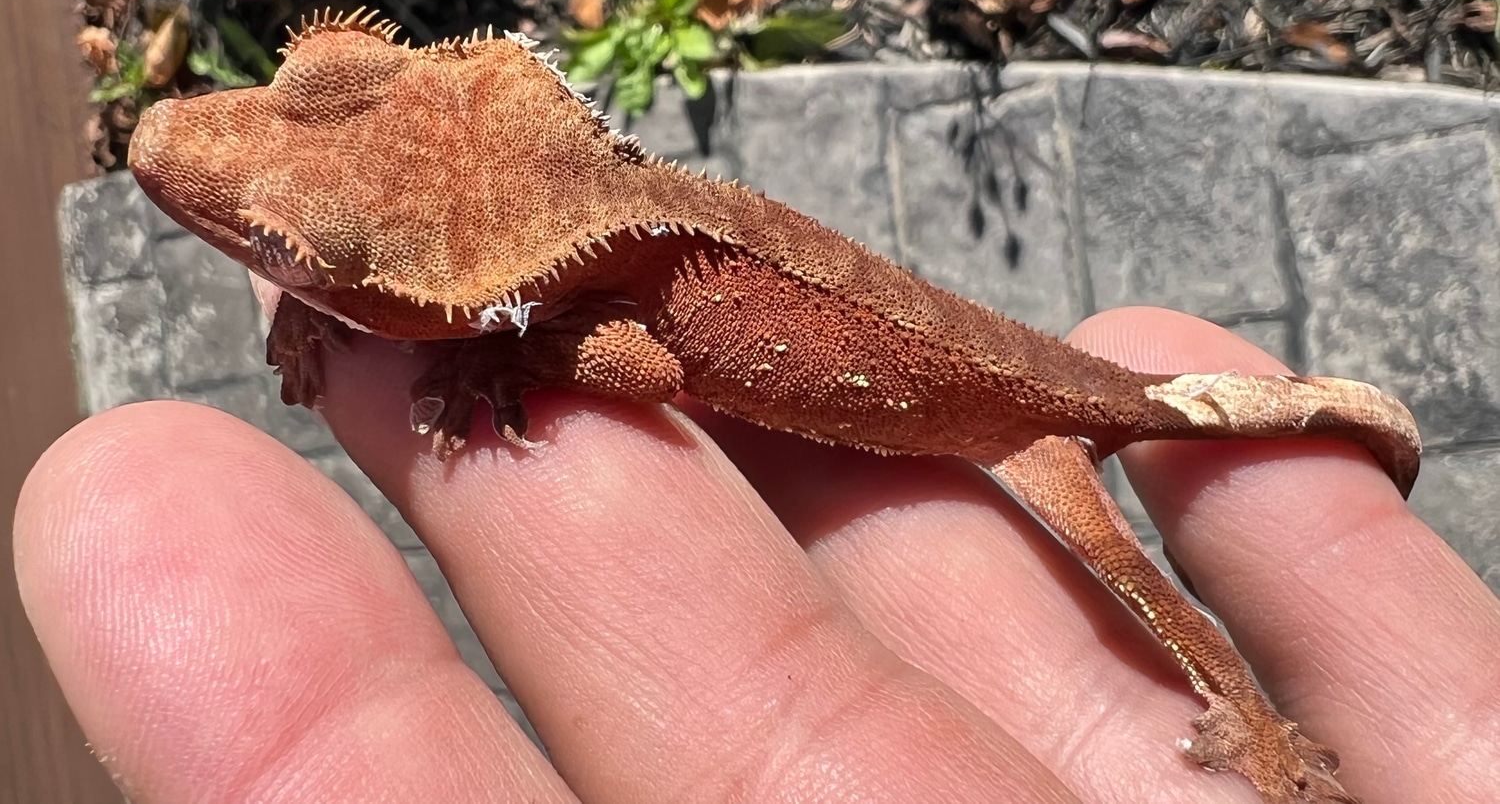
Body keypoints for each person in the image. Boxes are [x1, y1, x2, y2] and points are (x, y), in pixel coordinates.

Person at [16, 307, 1500, 802]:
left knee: (1134, 579)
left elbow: (636, 362)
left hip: (1025, 412)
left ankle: (1260, 725)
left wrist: (1255, 731)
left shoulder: (1037, 437)